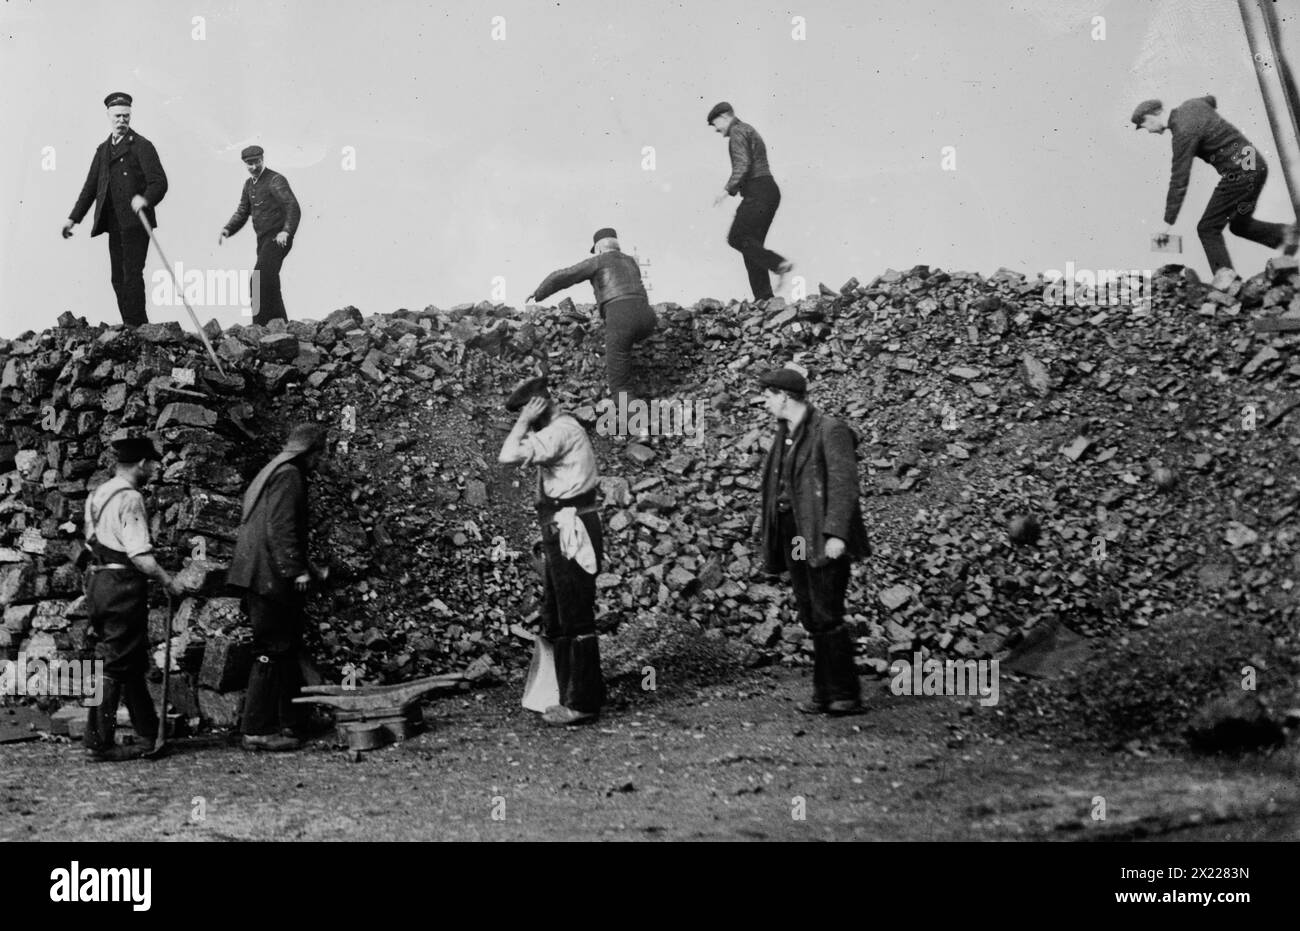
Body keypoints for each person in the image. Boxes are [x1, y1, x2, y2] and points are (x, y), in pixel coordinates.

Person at [757, 366, 869, 715]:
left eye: (768, 396)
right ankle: (825, 693)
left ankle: (845, 694)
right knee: (811, 611)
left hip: (820, 531)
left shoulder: (829, 430)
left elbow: (844, 485)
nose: (764, 403)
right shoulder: (784, 432)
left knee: (827, 610)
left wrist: (837, 533)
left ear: (785, 397)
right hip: (795, 534)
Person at [497, 376, 605, 726]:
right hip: (559, 524)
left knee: (575, 615)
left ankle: (583, 702)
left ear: (539, 405)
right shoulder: (559, 429)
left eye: (529, 409)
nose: (526, 417)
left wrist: (523, 422)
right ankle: (566, 693)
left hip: (571, 526)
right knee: (559, 616)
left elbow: (507, 455)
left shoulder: (561, 431)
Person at [82, 436, 187, 761]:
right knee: (115, 665)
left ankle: (147, 732)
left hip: (98, 583)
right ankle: (98, 742)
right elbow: (140, 555)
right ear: (142, 463)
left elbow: (90, 543)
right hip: (122, 586)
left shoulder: (99, 494)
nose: (157, 469)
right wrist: (168, 581)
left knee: (130, 660)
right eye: (155, 463)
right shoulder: (130, 498)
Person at [227, 424, 328, 751]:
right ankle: (256, 729)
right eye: (319, 454)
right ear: (310, 452)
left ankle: (292, 723)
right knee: (271, 649)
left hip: (258, 572)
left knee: (284, 647)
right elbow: (281, 527)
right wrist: (297, 571)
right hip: (268, 576)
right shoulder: (289, 475)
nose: (319, 462)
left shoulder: (271, 470)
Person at [1133, 95, 1298, 272]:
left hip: (1239, 174)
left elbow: (1179, 179)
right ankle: (1287, 235)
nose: (1149, 131)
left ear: (1150, 117)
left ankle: (1225, 281)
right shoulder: (1192, 104)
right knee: (1239, 225)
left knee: (1207, 228)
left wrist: (1167, 222)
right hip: (1256, 166)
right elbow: (1211, 100)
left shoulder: (1182, 133)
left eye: (1145, 127)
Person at [63, 92, 168, 327]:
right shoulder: (102, 150)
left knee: (131, 275)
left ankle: (137, 327)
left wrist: (145, 199)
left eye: (126, 116)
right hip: (114, 224)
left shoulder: (141, 146)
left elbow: (159, 182)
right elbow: (90, 188)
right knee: (117, 278)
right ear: (109, 116)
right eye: (118, 116)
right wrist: (73, 219)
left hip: (136, 223)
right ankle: (133, 325)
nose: (122, 121)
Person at [526, 228, 657, 406]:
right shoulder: (631, 261)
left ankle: (639, 427)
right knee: (626, 344)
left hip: (621, 315)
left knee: (620, 385)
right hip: (648, 317)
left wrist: (538, 293)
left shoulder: (598, 261)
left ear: (600, 248)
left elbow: (563, 276)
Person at [707, 102, 794, 301]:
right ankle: (764, 299)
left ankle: (778, 263)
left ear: (725, 117)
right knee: (752, 247)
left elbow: (743, 164)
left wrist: (725, 191)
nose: (717, 130)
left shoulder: (737, 132)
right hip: (769, 192)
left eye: (716, 124)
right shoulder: (748, 129)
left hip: (758, 191)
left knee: (736, 238)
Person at [219, 145, 302, 324]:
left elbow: (292, 206)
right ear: (244, 164)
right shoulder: (249, 185)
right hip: (263, 241)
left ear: (262, 159)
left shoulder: (275, 180)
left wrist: (286, 231)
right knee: (269, 281)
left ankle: (259, 326)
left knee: (258, 281)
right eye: (249, 163)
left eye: (256, 162)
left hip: (277, 238)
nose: (253, 166)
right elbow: (242, 211)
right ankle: (280, 325)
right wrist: (228, 229)